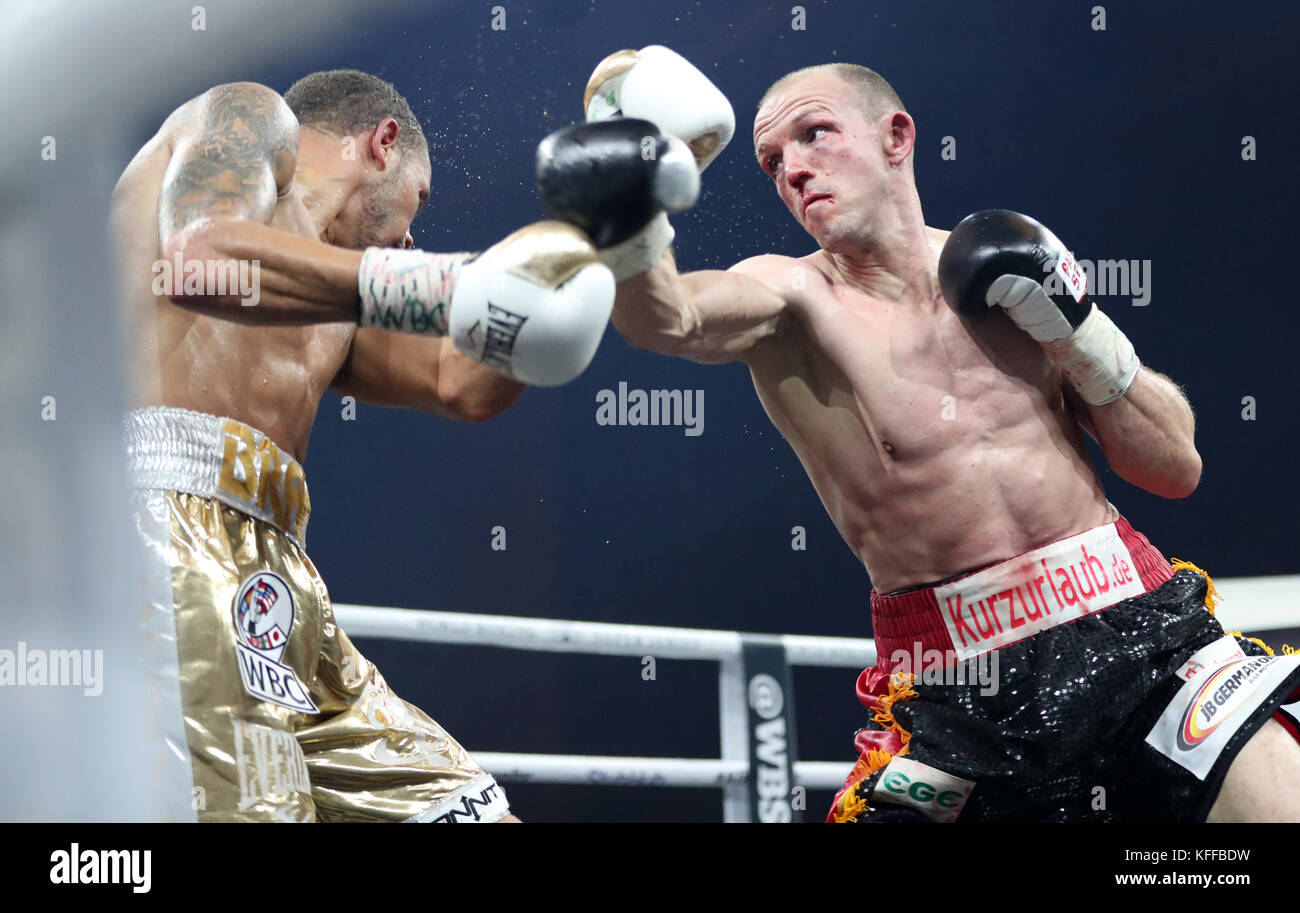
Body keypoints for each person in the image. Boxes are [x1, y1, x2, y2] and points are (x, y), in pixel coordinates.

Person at [535, 48, 1300, 822]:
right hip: (956, 680)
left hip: (1136, 626)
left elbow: (1174, 467)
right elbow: (666, 318)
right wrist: (627, 196)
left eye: (815, 134)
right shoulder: (793, 297)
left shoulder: (1004, 267)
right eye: (772, 161)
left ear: (895, 136)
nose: (793, 170)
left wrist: (1080, 328)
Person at [113, 69, 614, 822]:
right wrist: (437, 281)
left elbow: (459, 383)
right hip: (166, 532)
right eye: (421, 200)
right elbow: (196, 260)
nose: (415, 236)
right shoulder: (249, 113)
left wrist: (592, 230)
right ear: (383, 144)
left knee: (461, 811)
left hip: (280, 579)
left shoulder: (329, 305)